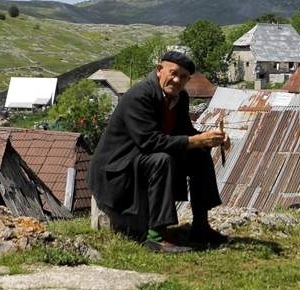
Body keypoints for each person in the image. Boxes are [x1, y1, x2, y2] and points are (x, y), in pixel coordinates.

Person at [89, 51, 230, 252]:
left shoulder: (180, 98)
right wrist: (195, 140)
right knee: (161, 160)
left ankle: (201, 227)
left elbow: (185, 133)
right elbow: (148, 142)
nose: (176, 80)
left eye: (183, 77)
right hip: (117, 167)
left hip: (141, 159)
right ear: (159, 70)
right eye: (173, 73)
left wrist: (212, 139)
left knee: (199, 154)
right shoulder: (140, 96)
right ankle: (157, 236)